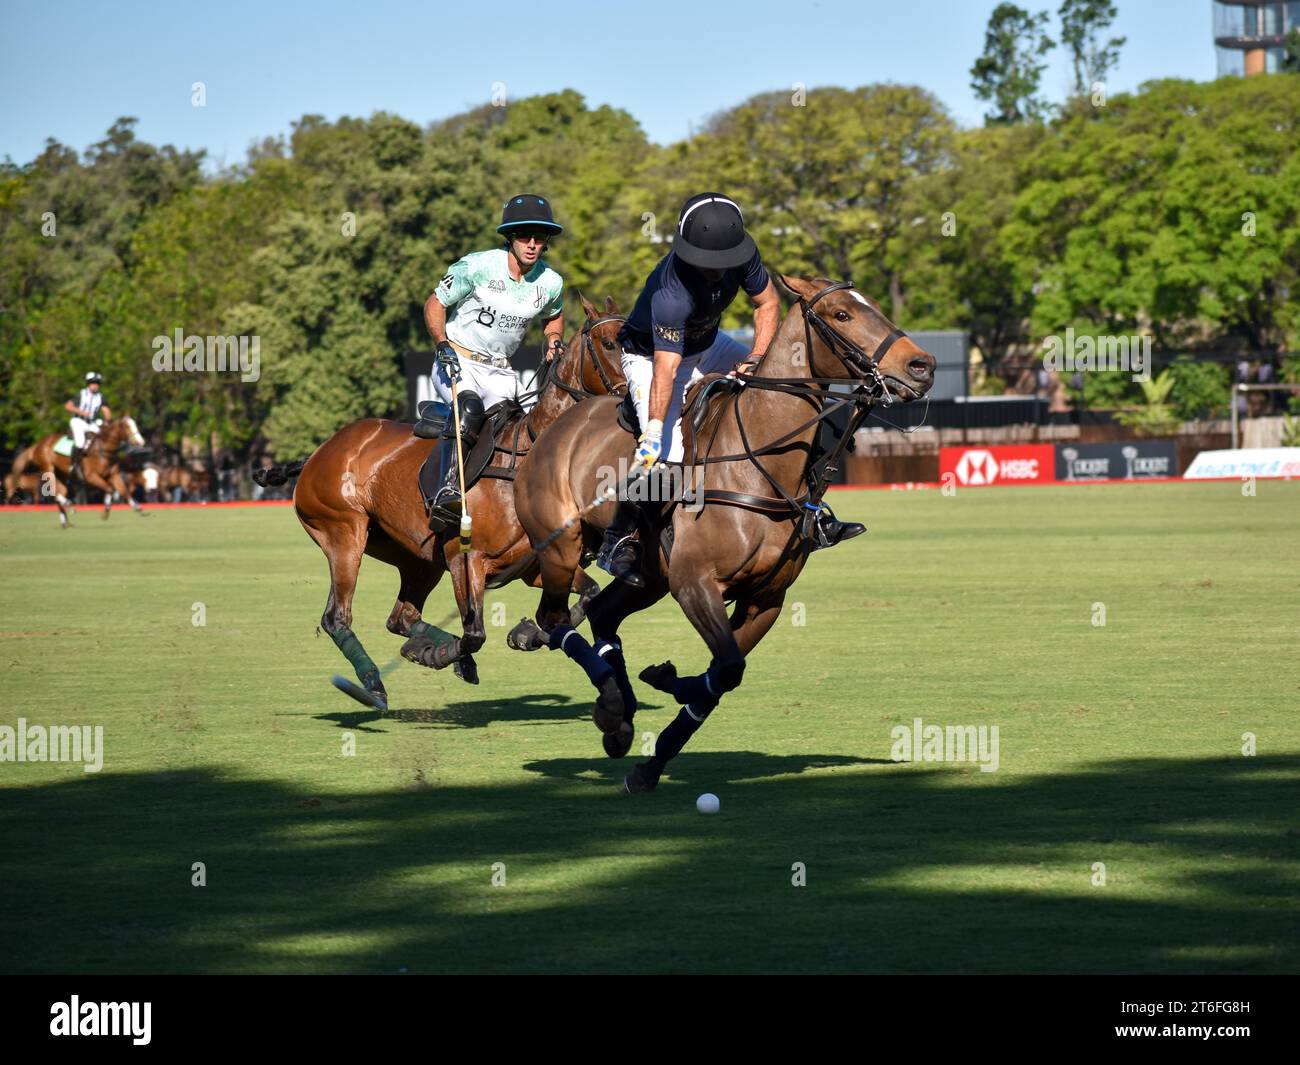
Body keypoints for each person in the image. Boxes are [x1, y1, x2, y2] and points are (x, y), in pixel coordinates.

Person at [595, 192, 864, 588]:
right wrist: (653, 430)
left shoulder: (743, 253)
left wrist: (757, 357)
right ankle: (621, 540)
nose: (716, 271)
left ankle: (813, 514)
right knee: (666, 452)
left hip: (707, 345)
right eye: (708, 264)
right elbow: (668, 370)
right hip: (651, 357)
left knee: (787, 395)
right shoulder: (671, 294)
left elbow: (767, 302)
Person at [413, 194, 566, 527]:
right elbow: (435, 304)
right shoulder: (477, 266)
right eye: (524, 236)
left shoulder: (551, 283)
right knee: (468, 410)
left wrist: (553, 341)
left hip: (500, 371)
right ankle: (446, 493)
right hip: (459, 359)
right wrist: (441, 344)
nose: (531, 244)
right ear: (510, 237)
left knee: (524, 434)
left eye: (539, 238)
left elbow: (554, 316)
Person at [63, 372, 111, 471]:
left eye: (97, 383)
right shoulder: (81, 394)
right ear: (88, 384)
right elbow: (68, 406)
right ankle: (73, 465)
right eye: (93, 383)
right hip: (78, 421)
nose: (95, 385)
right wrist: (81, 412)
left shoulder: (100, 397)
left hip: (91, 423)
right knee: (80, 443)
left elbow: (106, 411)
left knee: (103, 440)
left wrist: (107, 421)